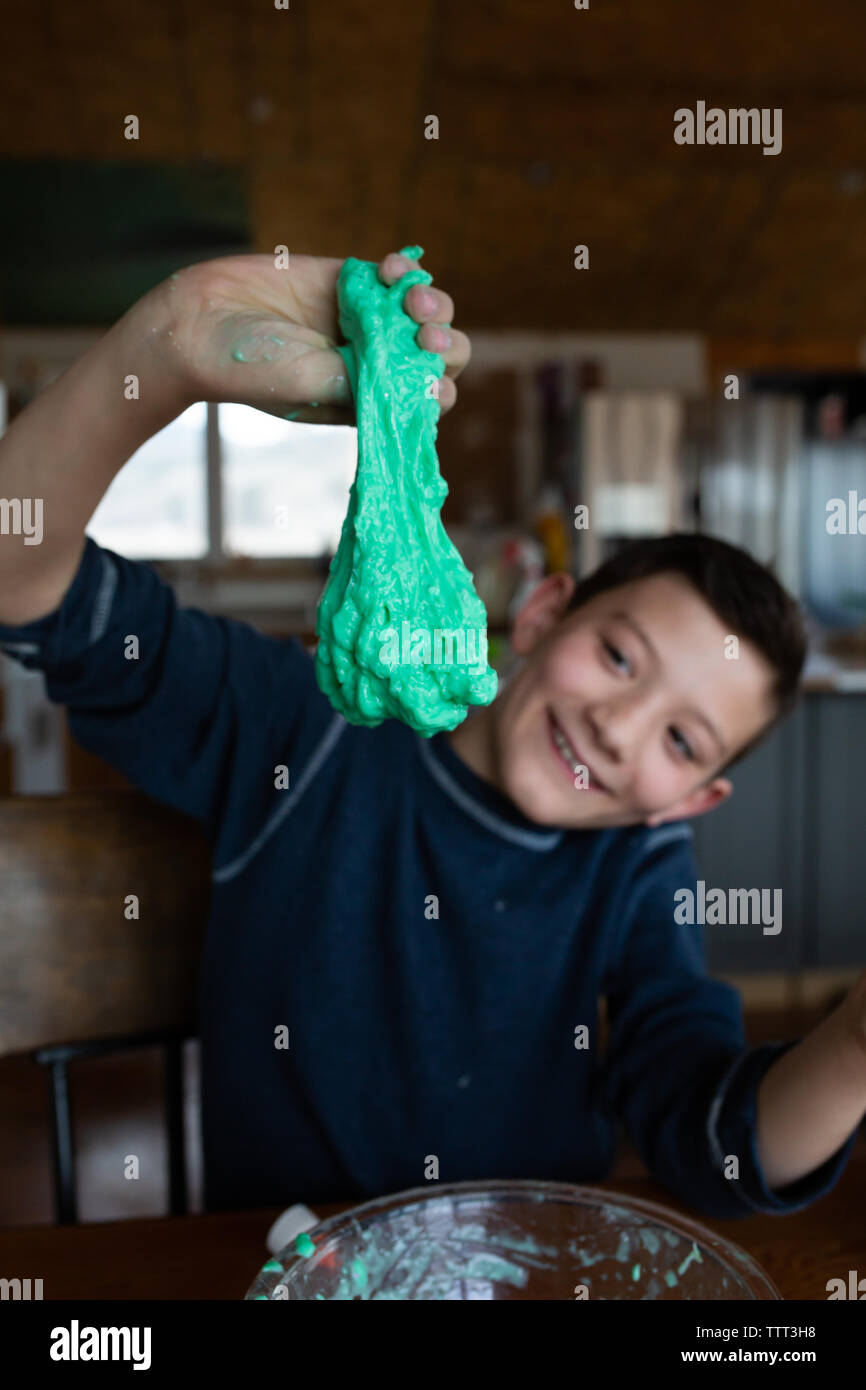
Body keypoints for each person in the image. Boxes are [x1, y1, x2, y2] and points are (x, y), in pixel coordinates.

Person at [0, 249, 863, 1217]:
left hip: (522, 1271)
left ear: (695, 800)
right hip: (287, 1259)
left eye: (681, 741)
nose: (618, 728)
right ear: (538, 616)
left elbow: (702, 1127)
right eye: (618, 657)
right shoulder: (302, 723)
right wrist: (166, 342)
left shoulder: (637, 859)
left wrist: (851, 1048)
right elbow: (23, 580)